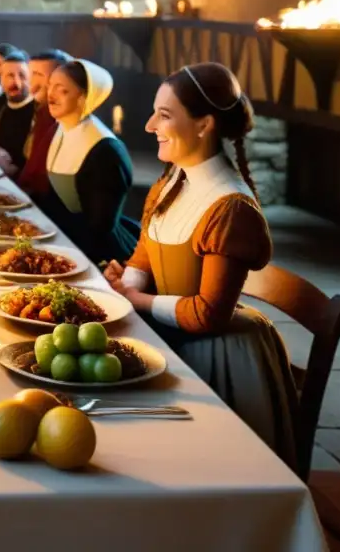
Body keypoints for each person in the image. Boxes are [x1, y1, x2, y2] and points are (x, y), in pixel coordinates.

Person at [103, 62, 297, 468]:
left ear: (205, 125)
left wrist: (136, 299)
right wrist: (131, 279)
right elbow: (145, 251)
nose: (149, 124)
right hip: (171, 334)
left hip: (217, 357)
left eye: (165, 115)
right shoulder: (173, 180)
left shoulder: (230, 207)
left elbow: (208, 314)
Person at [42, 59, 137, 263]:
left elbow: (100, 226)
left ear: (84, 97)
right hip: (67, 240)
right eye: (50, 86)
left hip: (100, 254)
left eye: (63, 90)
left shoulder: (105, 151)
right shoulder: (60, 128)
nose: (51, 95)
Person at [16, 49, 73, 199]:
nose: (31, 83)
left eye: (39, 75)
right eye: (30, 74)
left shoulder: (58, 119)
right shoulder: (38, 110)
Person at [0, 49, 34, 176]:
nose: (16, 82)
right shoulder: (1, 101)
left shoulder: (37, 110)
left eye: (22, 75)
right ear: (1, 80)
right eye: (10, 75)